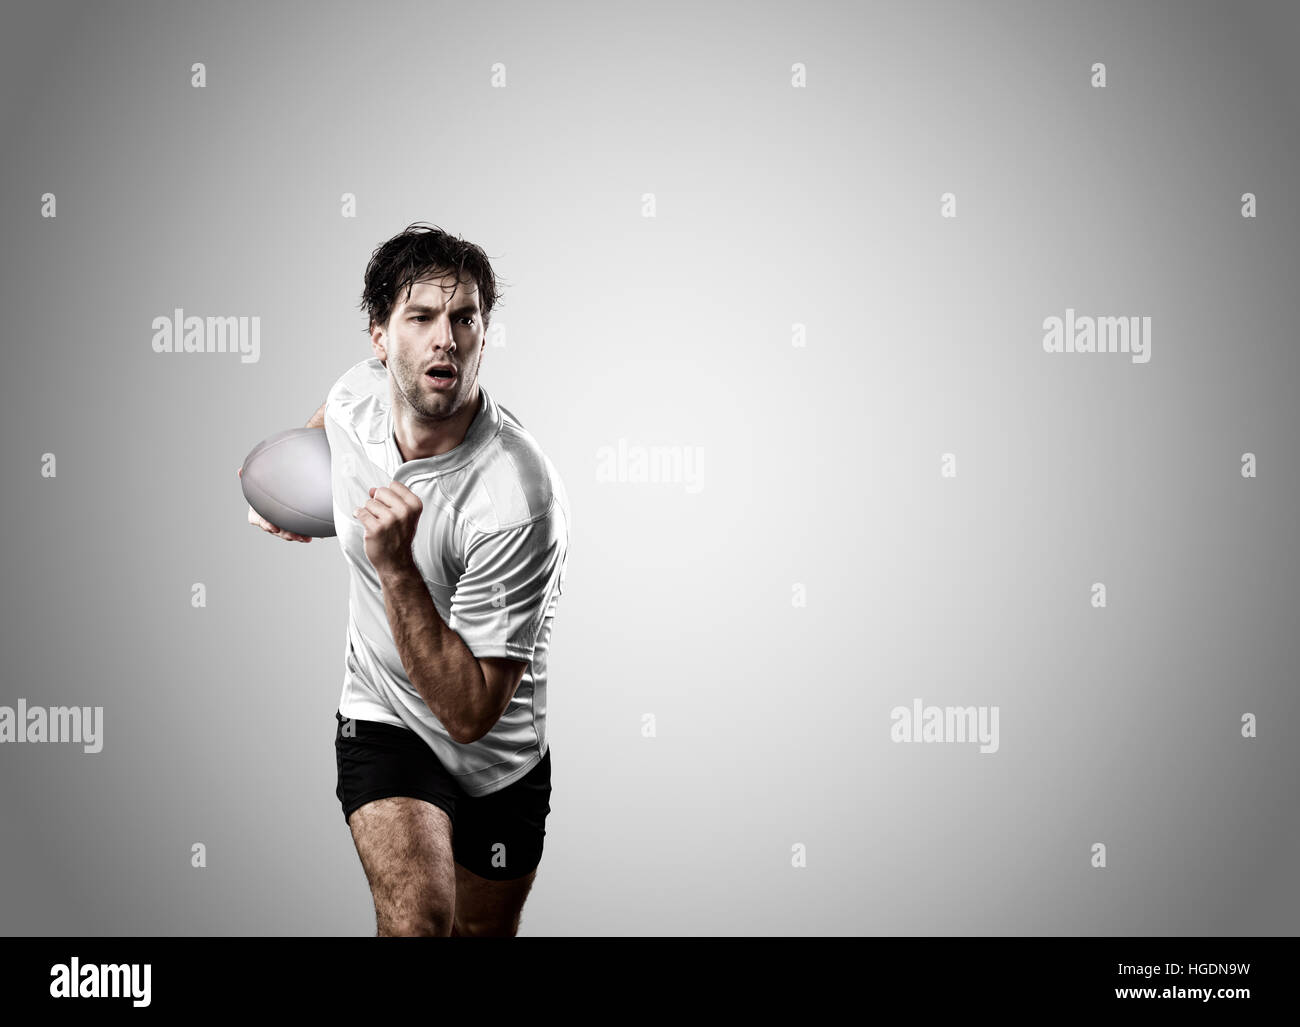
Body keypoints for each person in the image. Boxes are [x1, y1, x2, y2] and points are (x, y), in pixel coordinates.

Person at [242, 224, 570, 936]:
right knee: (419, 921)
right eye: (420, 317)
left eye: (465, 318)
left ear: (485, 333)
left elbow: (470, 711)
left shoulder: (516, 497)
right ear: (380, 338)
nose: (444, 338)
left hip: (496, 756)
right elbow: (332, 426)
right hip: (383, 717)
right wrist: (287, 492)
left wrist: (396, 567)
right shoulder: (357, 395)